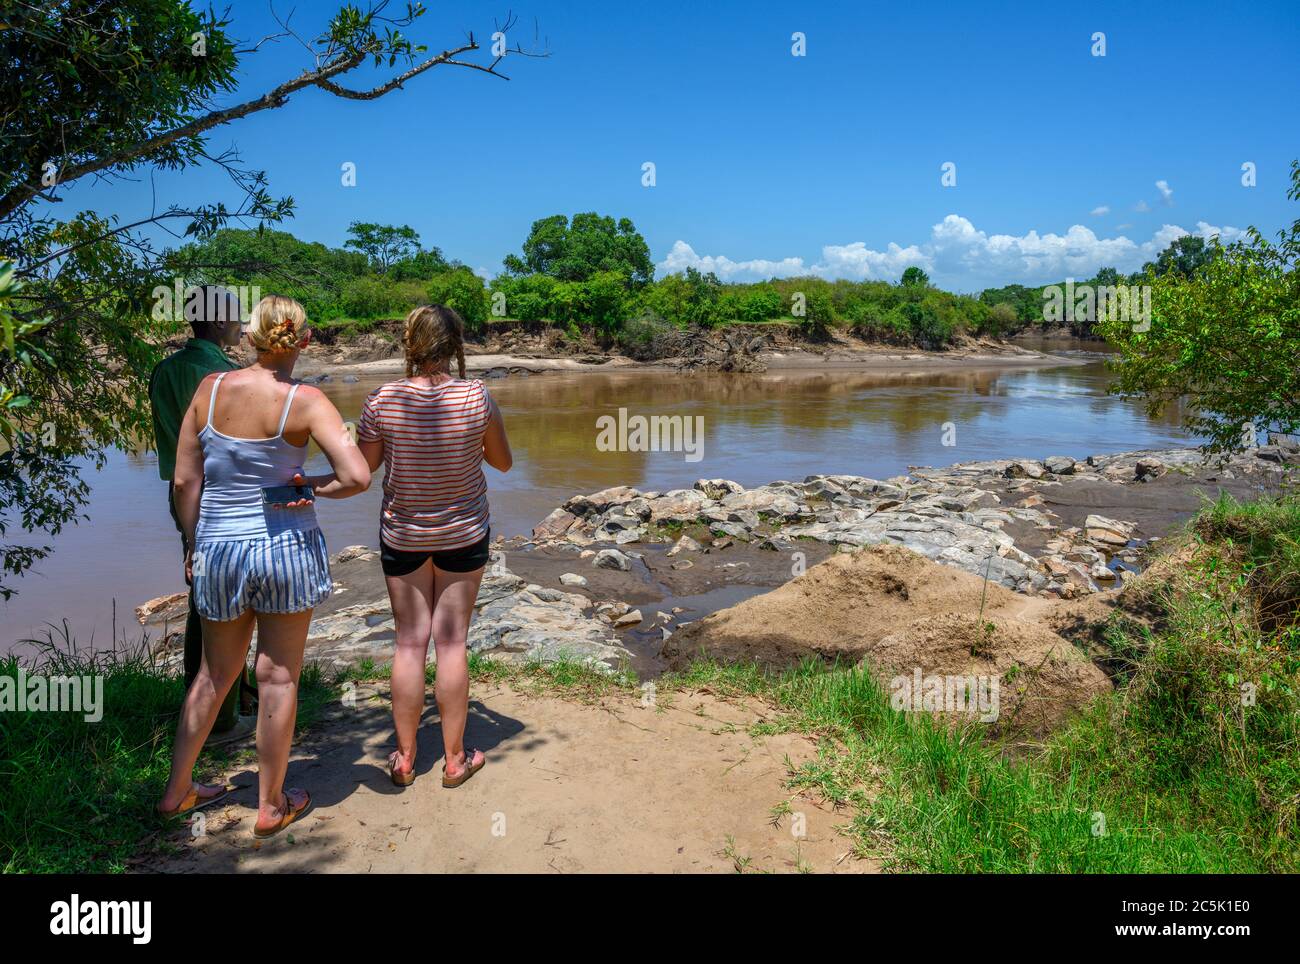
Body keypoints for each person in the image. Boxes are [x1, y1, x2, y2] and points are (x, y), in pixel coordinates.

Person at [156, 295, 370, 838]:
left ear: (249, 337)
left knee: (214, 674)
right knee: (278, 677)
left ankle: (177, 792)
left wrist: (192, 543)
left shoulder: (209, 390)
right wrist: (308, 484)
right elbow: (358, 477)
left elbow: (185, 482)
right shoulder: (307, 401)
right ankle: (270, 806)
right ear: (303, 340)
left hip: (219, 549)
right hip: (285, 552)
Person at [355, 304, 512, 789]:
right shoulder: (475, 395)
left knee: (408, 642)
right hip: (463, 534)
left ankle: (403, 758)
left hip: (403, 535)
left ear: (410, 344)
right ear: (455, 346)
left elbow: (364, 472)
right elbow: (503, 463)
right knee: (450, 642)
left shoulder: (382, 399)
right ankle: (453, 759)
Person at [149, 285, 248, 734]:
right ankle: (221, 717)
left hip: (181, 493)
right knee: (229, 605)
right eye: (237, 316)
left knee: (205, 599)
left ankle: (214, 703)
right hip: (222, 495)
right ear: (219, 322)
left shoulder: (163, 371)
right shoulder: (222, 374)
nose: (242, 324)